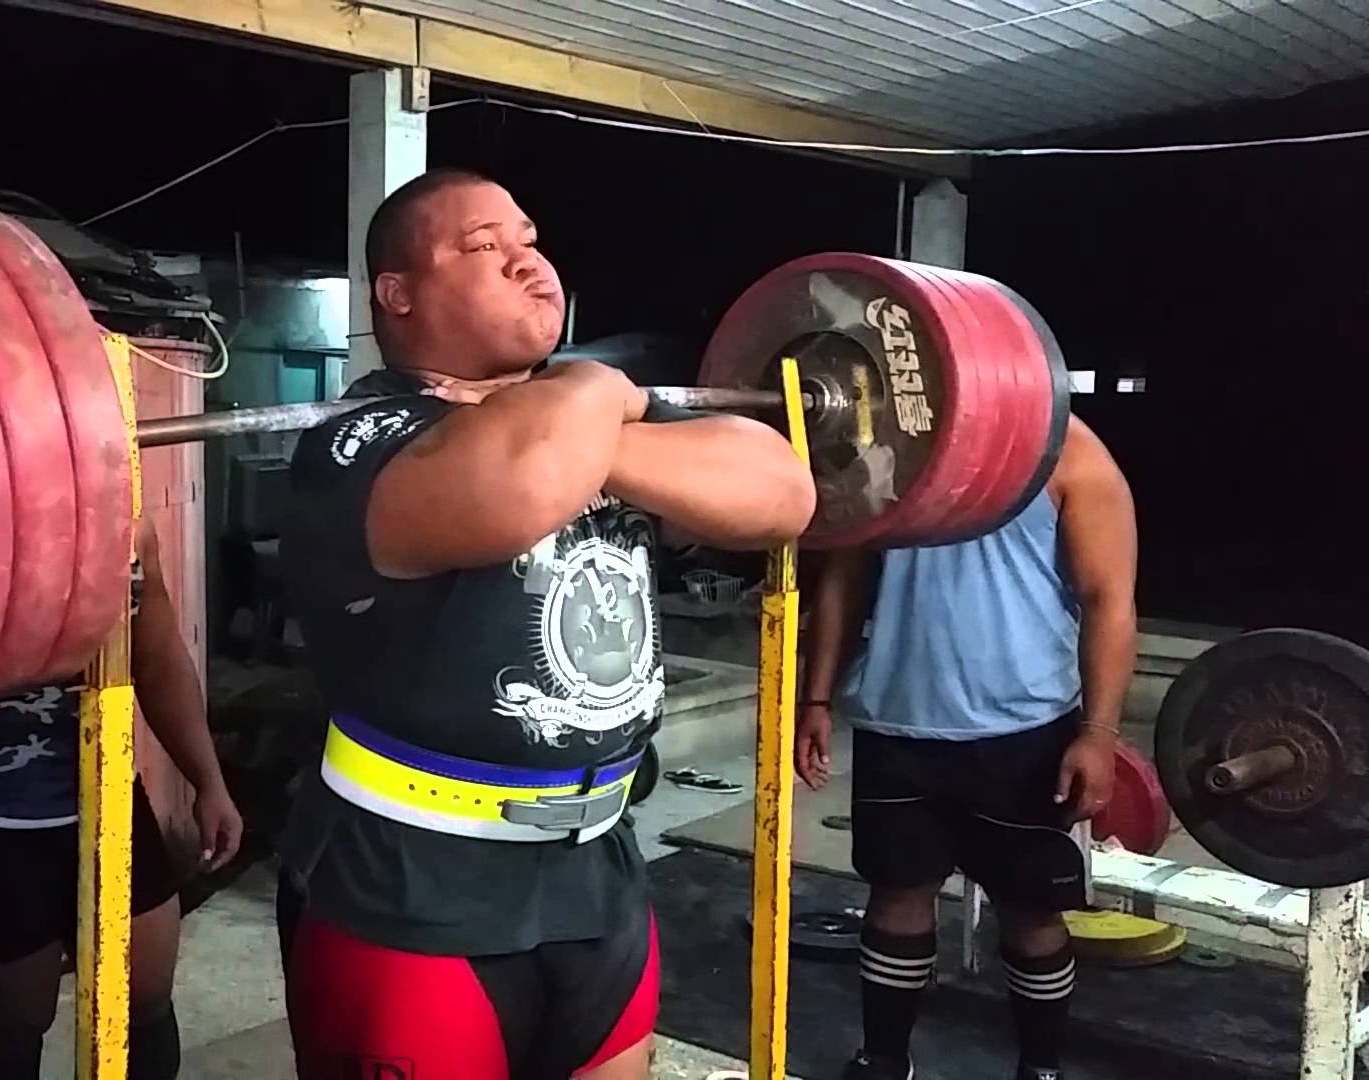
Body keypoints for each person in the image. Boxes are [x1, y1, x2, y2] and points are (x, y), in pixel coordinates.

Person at [276, 168, 818, 1080]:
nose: (528, 264)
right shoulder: (356, 440)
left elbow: (781, 492)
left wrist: (587, 426)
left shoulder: (578, 420)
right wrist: (601, 389)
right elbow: (518, 484)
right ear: (397, 294)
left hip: (598, 866)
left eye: (529, 241)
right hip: (413, 877)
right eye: (484, 247)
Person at [796, 417, 1138, 1080]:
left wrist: (1099, 734)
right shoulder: (888, 438)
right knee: (897, 894)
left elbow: (1110, 600)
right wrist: (816, 698)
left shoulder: (1070, 451)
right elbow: (845, 572)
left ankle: (1041, 1067)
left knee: (1032, 911)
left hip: (1026, 731)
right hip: (897, 721)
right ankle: (884, 1060)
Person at [0, 516, 243, 1080]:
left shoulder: (128, 526)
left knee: (145, 1000)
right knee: (7, 1030)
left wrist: (208, 780)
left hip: (112, 800)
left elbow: (158, 659)